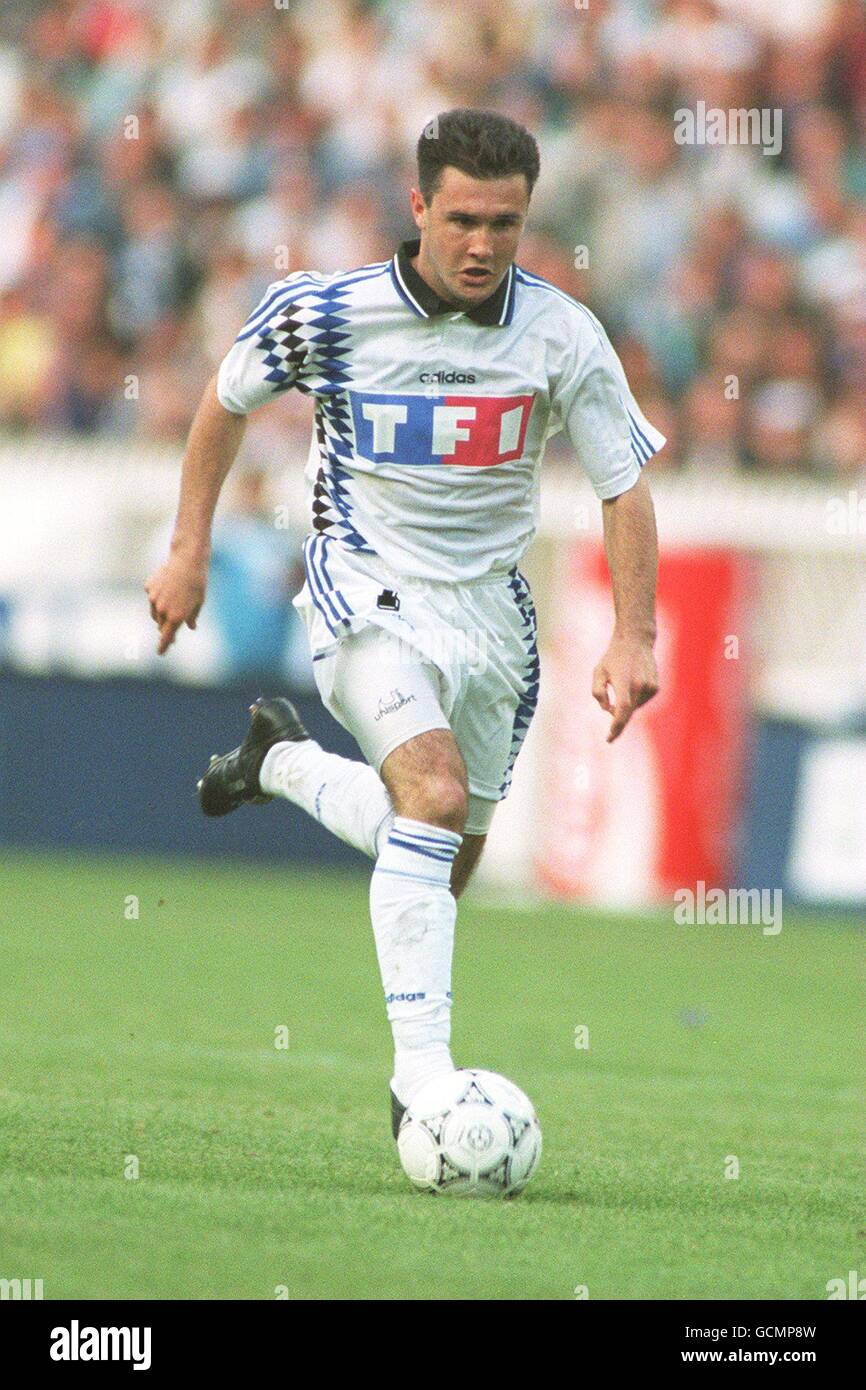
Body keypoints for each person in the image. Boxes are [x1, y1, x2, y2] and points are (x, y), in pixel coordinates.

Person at [145, 108, 663, 1140]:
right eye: (463, 218)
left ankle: (281, 766)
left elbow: (621, 484)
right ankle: (421, 1083)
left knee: (435, 851)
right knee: (428, 796)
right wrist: (188, 547)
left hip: (489, 616)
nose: (481, 245)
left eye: (505, 224)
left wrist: (632, 632)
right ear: (418, 205)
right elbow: (224, 399)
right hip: (363, 587)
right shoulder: (324, 313)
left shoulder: (560, 333)